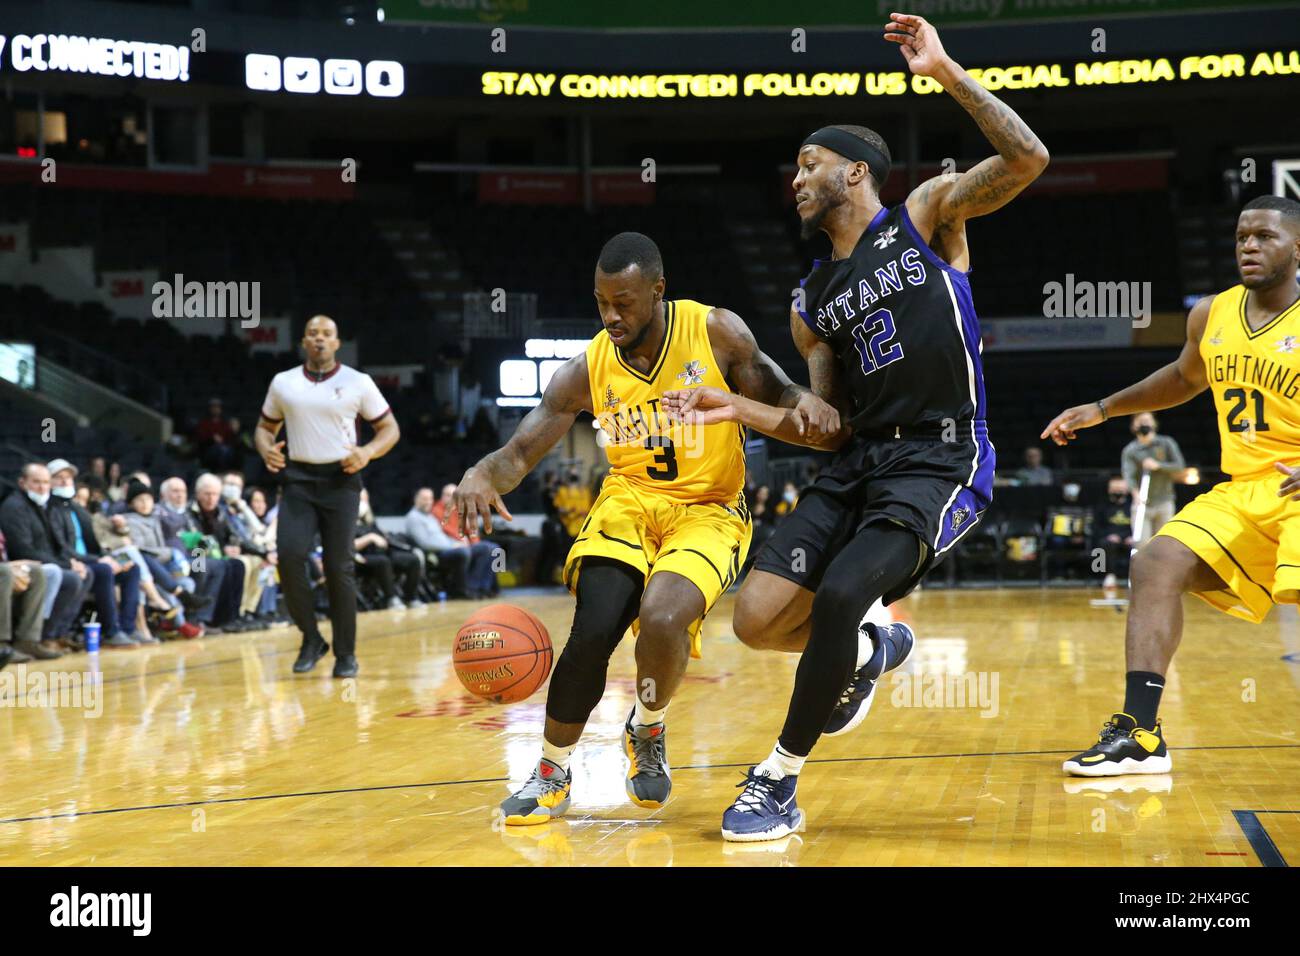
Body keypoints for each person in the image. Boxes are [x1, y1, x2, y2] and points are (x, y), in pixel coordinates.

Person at [666, 13, 1049, 841]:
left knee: (842, 592)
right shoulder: (810, 304)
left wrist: (944, 69)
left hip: (941, 462)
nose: (796, 180)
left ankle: (777, 780)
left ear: (856, 170)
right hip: (860, 463)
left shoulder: (927, 217)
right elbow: (827, 427)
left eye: (810, 166)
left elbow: (1028, 159)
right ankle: (868, 652)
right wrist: (740, 408)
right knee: (757, 618)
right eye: (795, 170)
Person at [453, 230, 835, 826]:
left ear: (658, 290)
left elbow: (777, 388)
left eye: (624, 303)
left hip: (709, 508)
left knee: (661, 618)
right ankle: (552, 769)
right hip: (628, 504)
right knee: (594, 627)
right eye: (602, 302)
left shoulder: (715, 332)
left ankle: (648, 725)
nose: (611, 316)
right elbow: (520, 453)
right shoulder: (589, 367)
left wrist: (804, 401)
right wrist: (480, 473)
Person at [1042, 194, 1300, 775]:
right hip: (1245, 490)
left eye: (1265, 237)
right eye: (1241, 238)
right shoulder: (1212, 313)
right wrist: (1104, 408)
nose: (1250, 247)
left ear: (1298, 249)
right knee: (1155, 562)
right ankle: (1142, 733)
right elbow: (1184, 378)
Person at [255, 314, 400, 678]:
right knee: (288, 557)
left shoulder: (358, 382)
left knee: (339, 567)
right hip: (298, 480)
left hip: (341, 479)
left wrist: (367, 452)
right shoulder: (283, 383)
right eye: (313, 334)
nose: (320, 339)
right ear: (303, 341)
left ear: (337, 343)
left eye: (327, 334)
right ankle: (310, 638)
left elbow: (389, 429)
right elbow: (263, 428)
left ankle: (345, 655)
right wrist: (265, 448)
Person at [48, 459, 153, 646]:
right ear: (50, 482)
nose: (65, 482)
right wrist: (101, 560)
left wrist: (115, 558)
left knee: (132, 568)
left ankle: (128, 629)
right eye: (59, 478)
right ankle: (111, 632)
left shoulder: (77, 509)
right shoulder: (51, 510)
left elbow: (101, 541)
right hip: (75, 562)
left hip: (93, 558)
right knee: (104, 569)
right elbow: (63, 548)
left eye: (68, 478)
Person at [404, 488, 487, 598]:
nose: (428, 502)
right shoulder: (413, 517)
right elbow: (425, 543)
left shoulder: (429, 516)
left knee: (483, 549)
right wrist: (453, 545)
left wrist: (456, 542)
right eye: (424, 499)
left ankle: (476, 587)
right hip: (434, 554)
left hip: (448, 548)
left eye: (430, 498)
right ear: (416, 500)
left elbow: (443, 537)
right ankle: (460, 591)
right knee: (463, 553)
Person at [1121, 412, 1185, 544]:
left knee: (1164, 545)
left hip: (1165, 501)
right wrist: (1135, 494)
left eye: (1147, 420)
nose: (1144, 424)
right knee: (1141, 544)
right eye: (1140, 421)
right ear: (1133, 426)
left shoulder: (1166, 443)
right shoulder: (1130, 450)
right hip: (1142, 503)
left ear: (1154, 424)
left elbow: (1179, 466)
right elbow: (1128, 475)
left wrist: (1158, 465)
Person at [355, 488, 423, 609]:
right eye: (361, 499)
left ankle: (411, 597)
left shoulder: (369, 520)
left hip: (381, 552)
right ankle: (391, 598)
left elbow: (381, 536)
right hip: (361, 557)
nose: (364, 502)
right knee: (383, 561)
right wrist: (370, 538)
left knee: (413, 559)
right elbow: (348, 546)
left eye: (366, 499)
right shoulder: (346, 521)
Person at [1094, 476, 1135, 588]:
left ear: (1126, 490)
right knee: (1102, 546)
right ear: (1109, 490)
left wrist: (1132, 536)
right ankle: (1108, 576)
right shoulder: (1102, 506)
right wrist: (1108, 535)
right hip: (1109, 539)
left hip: (1128, 539)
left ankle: (1135, 578)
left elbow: (1139, 526)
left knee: (1139, 546)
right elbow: (1097, 527)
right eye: (1115, 489)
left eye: (1121, 489)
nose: (1118, 491)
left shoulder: (1133, 506)